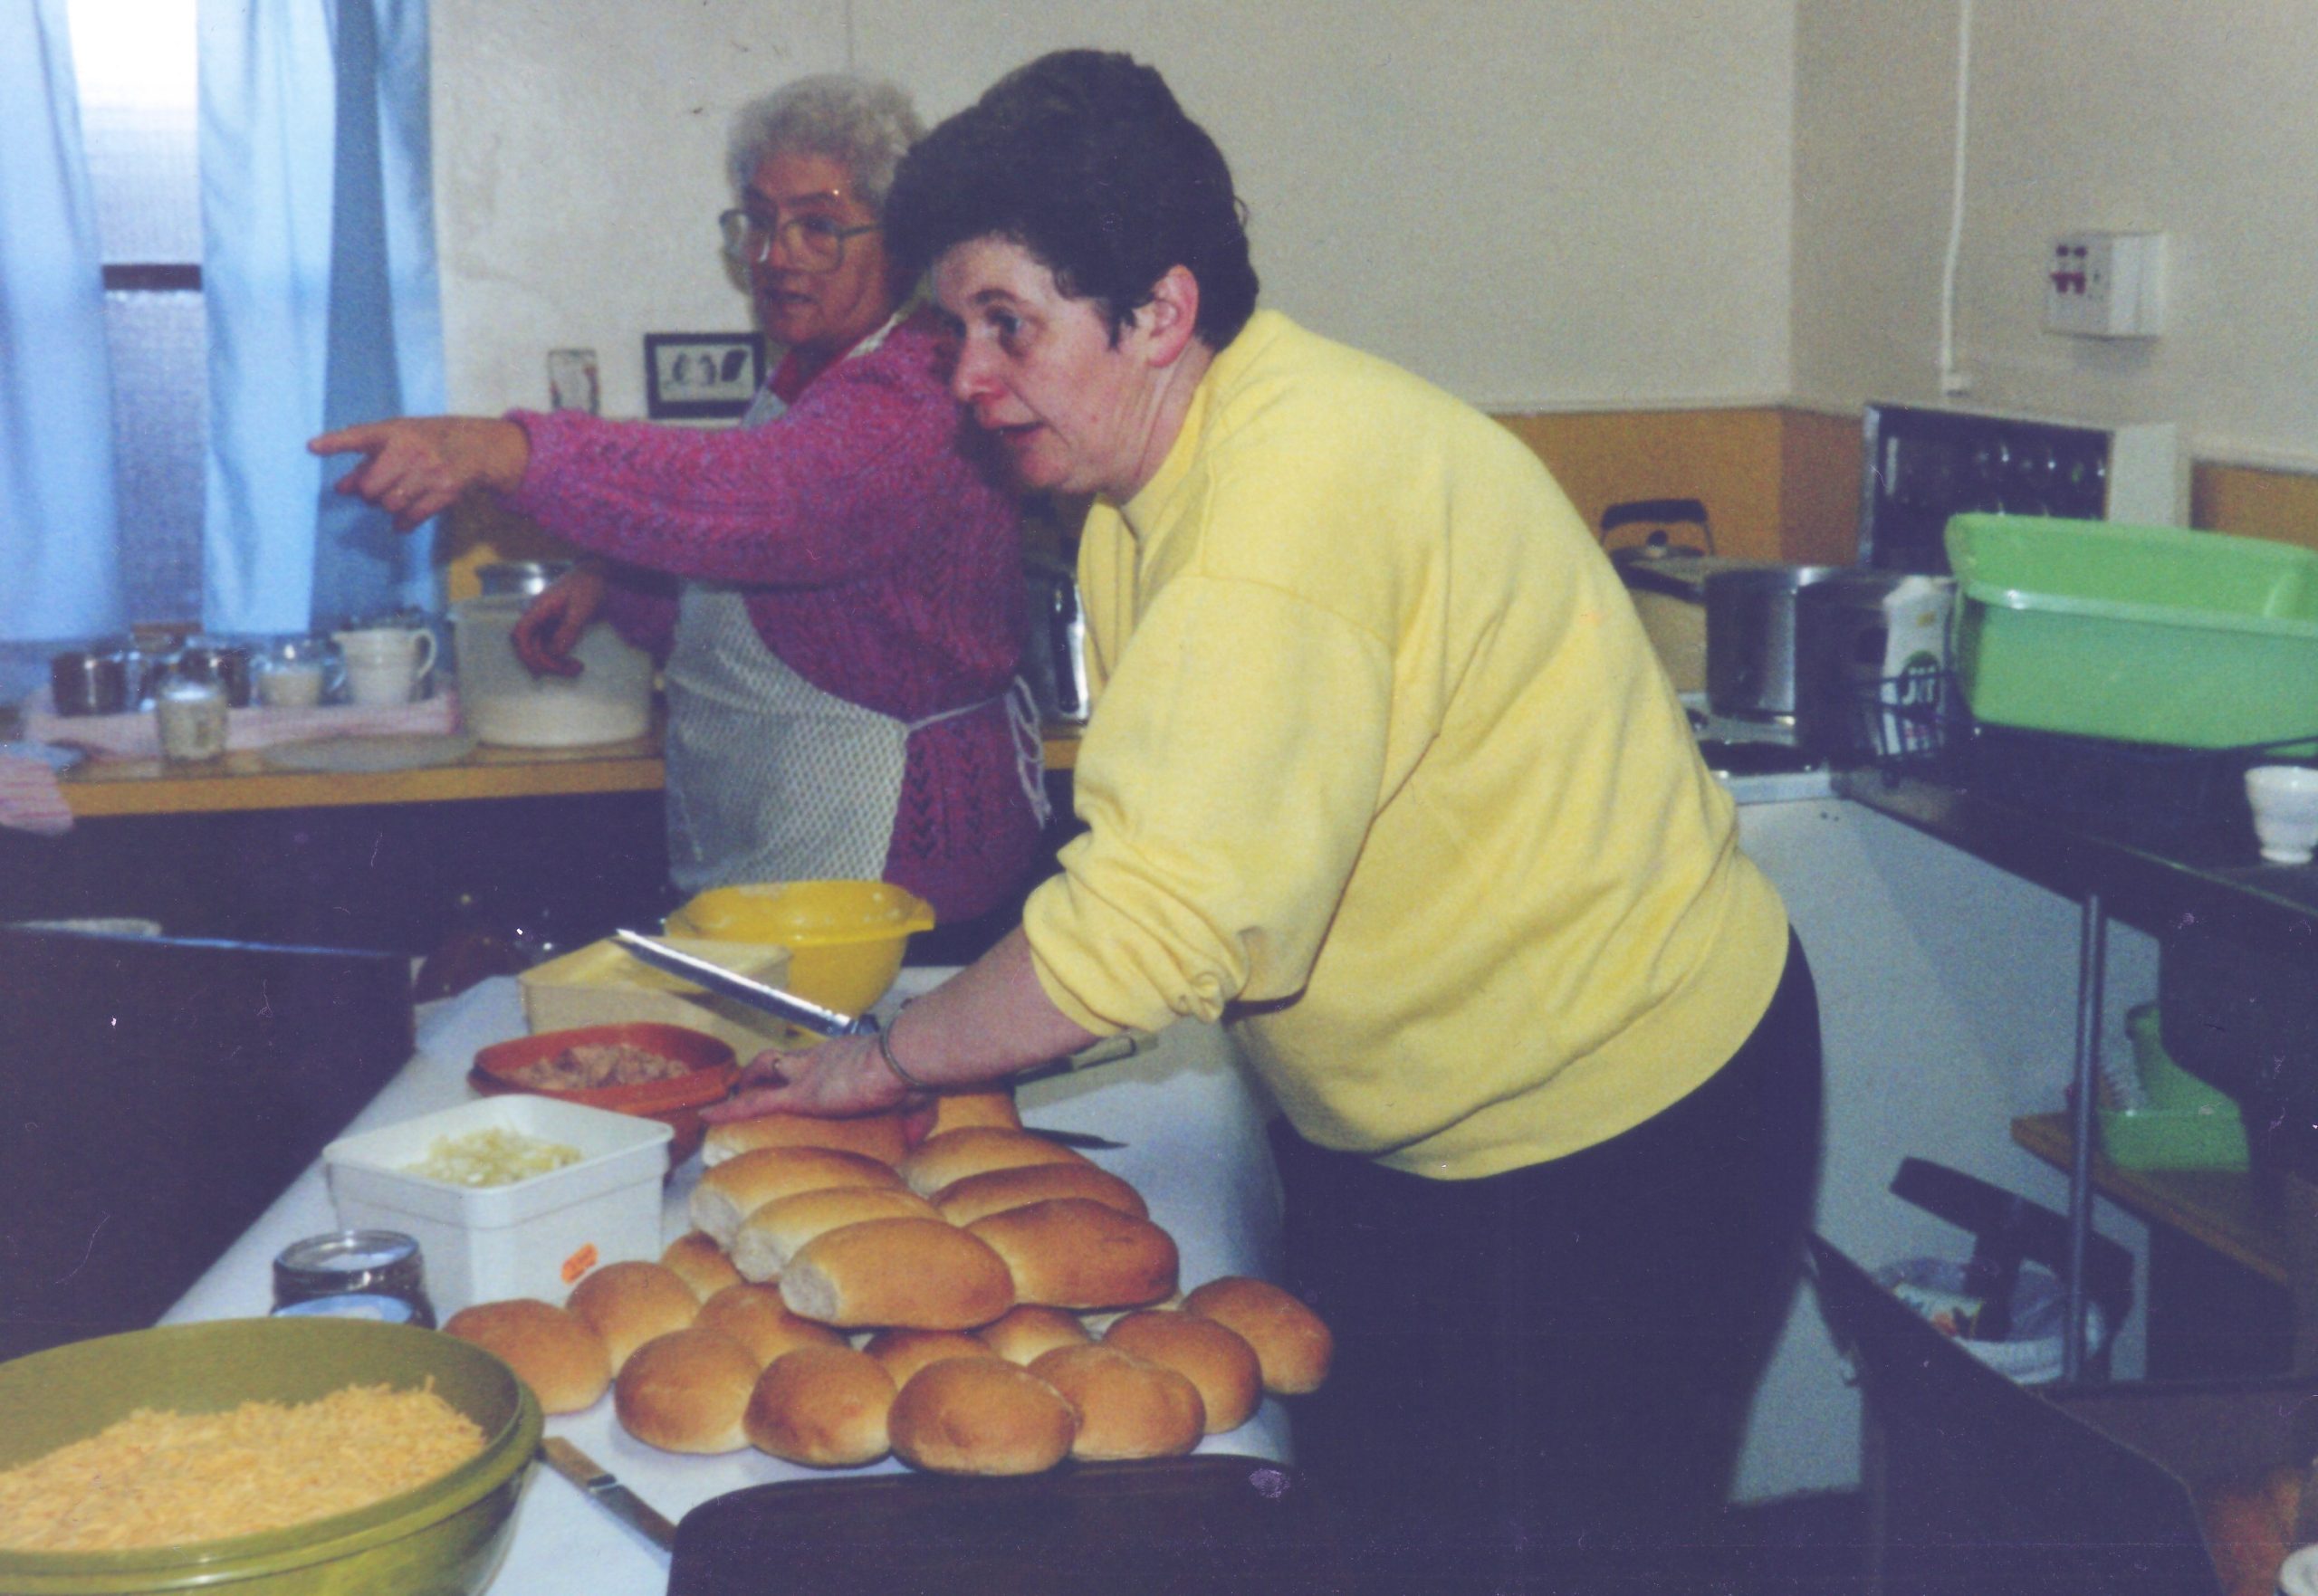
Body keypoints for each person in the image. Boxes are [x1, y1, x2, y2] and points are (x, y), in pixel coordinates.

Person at [707, 50, 1825, 1586]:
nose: (969, 378)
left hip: (1620, 1125)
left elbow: (1148, 929)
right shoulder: (1162, 469)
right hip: (1419, 1121)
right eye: (953, 328)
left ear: (1160, 311)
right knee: (1382, 1520)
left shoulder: (1281, 512)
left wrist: (881, 1060)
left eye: (1006, 326)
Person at [311, 75, 1045, 929]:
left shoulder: (915, 387)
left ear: (902, 242)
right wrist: (616, 588)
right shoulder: (808, 386)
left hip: (902, 863)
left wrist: (503, 449)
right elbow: (786, 600)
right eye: (760, 222)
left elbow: (764, 502)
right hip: (795, 855)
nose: (778, 255)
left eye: (818, 224)